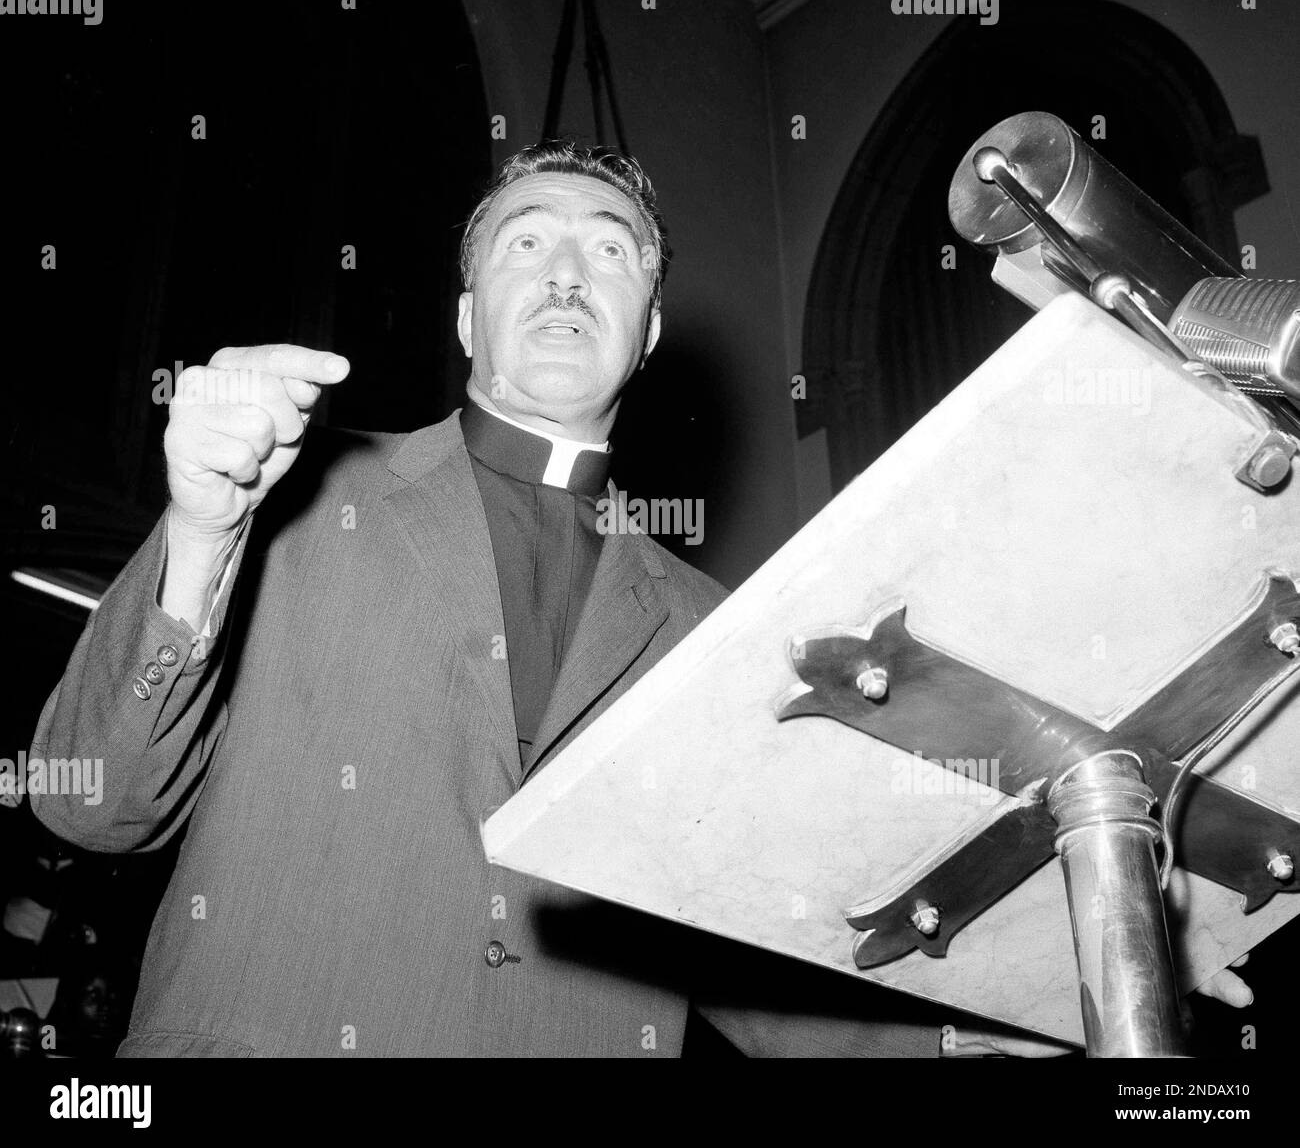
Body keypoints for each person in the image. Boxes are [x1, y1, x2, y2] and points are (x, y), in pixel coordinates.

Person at [28, 142, 1248, 1057]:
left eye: (609, 249)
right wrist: (201, 528)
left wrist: (1034, 991)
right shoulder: (287, 501)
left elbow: (744, 951)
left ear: (649, 327)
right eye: (524, 243)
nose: (567, 274)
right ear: (464, 317)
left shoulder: (726, 632)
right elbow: (95, 809)